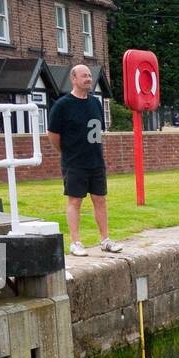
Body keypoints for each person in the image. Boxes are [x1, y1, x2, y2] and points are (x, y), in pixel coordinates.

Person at [47, 65, 121, 258]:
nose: (88, 79)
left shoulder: (95, 103)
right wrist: (66, 152)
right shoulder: (62, 105)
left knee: (100, 199)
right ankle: (75, 242)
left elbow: (98, 132)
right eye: (84, 76)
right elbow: (53, 134)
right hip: (74, 162)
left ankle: (105, 240)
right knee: (75, 201)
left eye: (89, 76)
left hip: (96, 161)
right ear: (74, 79)